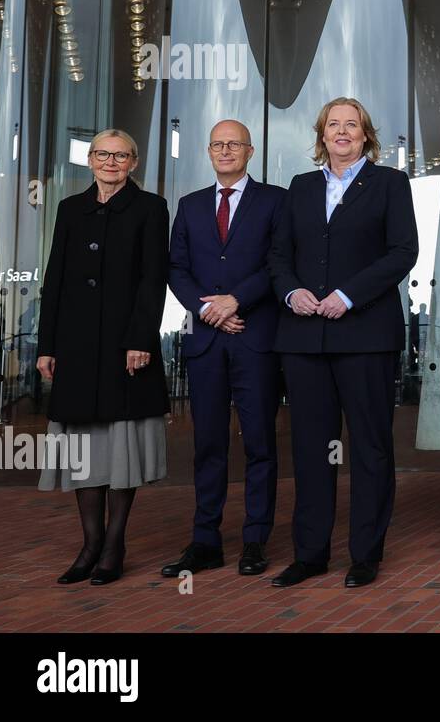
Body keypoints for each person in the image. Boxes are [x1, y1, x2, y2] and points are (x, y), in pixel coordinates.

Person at [268, 97, 418, 588]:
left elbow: (403, 252)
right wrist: (291, 292)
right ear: (322, 134)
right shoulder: (301, 187)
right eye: (333, 124)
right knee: (311, 448)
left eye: (352, 125)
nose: (342, 131)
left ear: (366, 135)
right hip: (304, 336)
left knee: (370, 447)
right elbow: (278, 255)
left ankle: (365, 555)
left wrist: (348, 296)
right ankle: (310, 554)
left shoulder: (390, 183)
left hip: (366, 335)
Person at [37, 129, 170, 586]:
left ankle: (114, 546)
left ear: (134, 162)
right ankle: (89, 545)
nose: (110, 162)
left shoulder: (151, 208)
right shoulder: (69, 209)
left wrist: (141, 339)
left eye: (120, 155)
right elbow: (54, 278)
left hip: (125, 347)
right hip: (74, 348)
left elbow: (153, 280)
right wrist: (47, 345)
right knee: (84, 449)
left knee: (120, 448)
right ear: (90, 160)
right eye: (102, 154)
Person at [163, 120, 286, 578]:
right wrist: (208, 309)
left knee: (260, 444)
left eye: (234, 144)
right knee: (208, 445)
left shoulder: (275, 201)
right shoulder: (191, 205)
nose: (226, 150)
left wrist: (238, 300)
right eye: (218, 144)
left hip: (255, 339)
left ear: (250, 151)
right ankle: (205, 541)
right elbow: (176, 268)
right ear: (209, 151)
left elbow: (279, 262)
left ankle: (255, 540)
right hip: (207, 342)